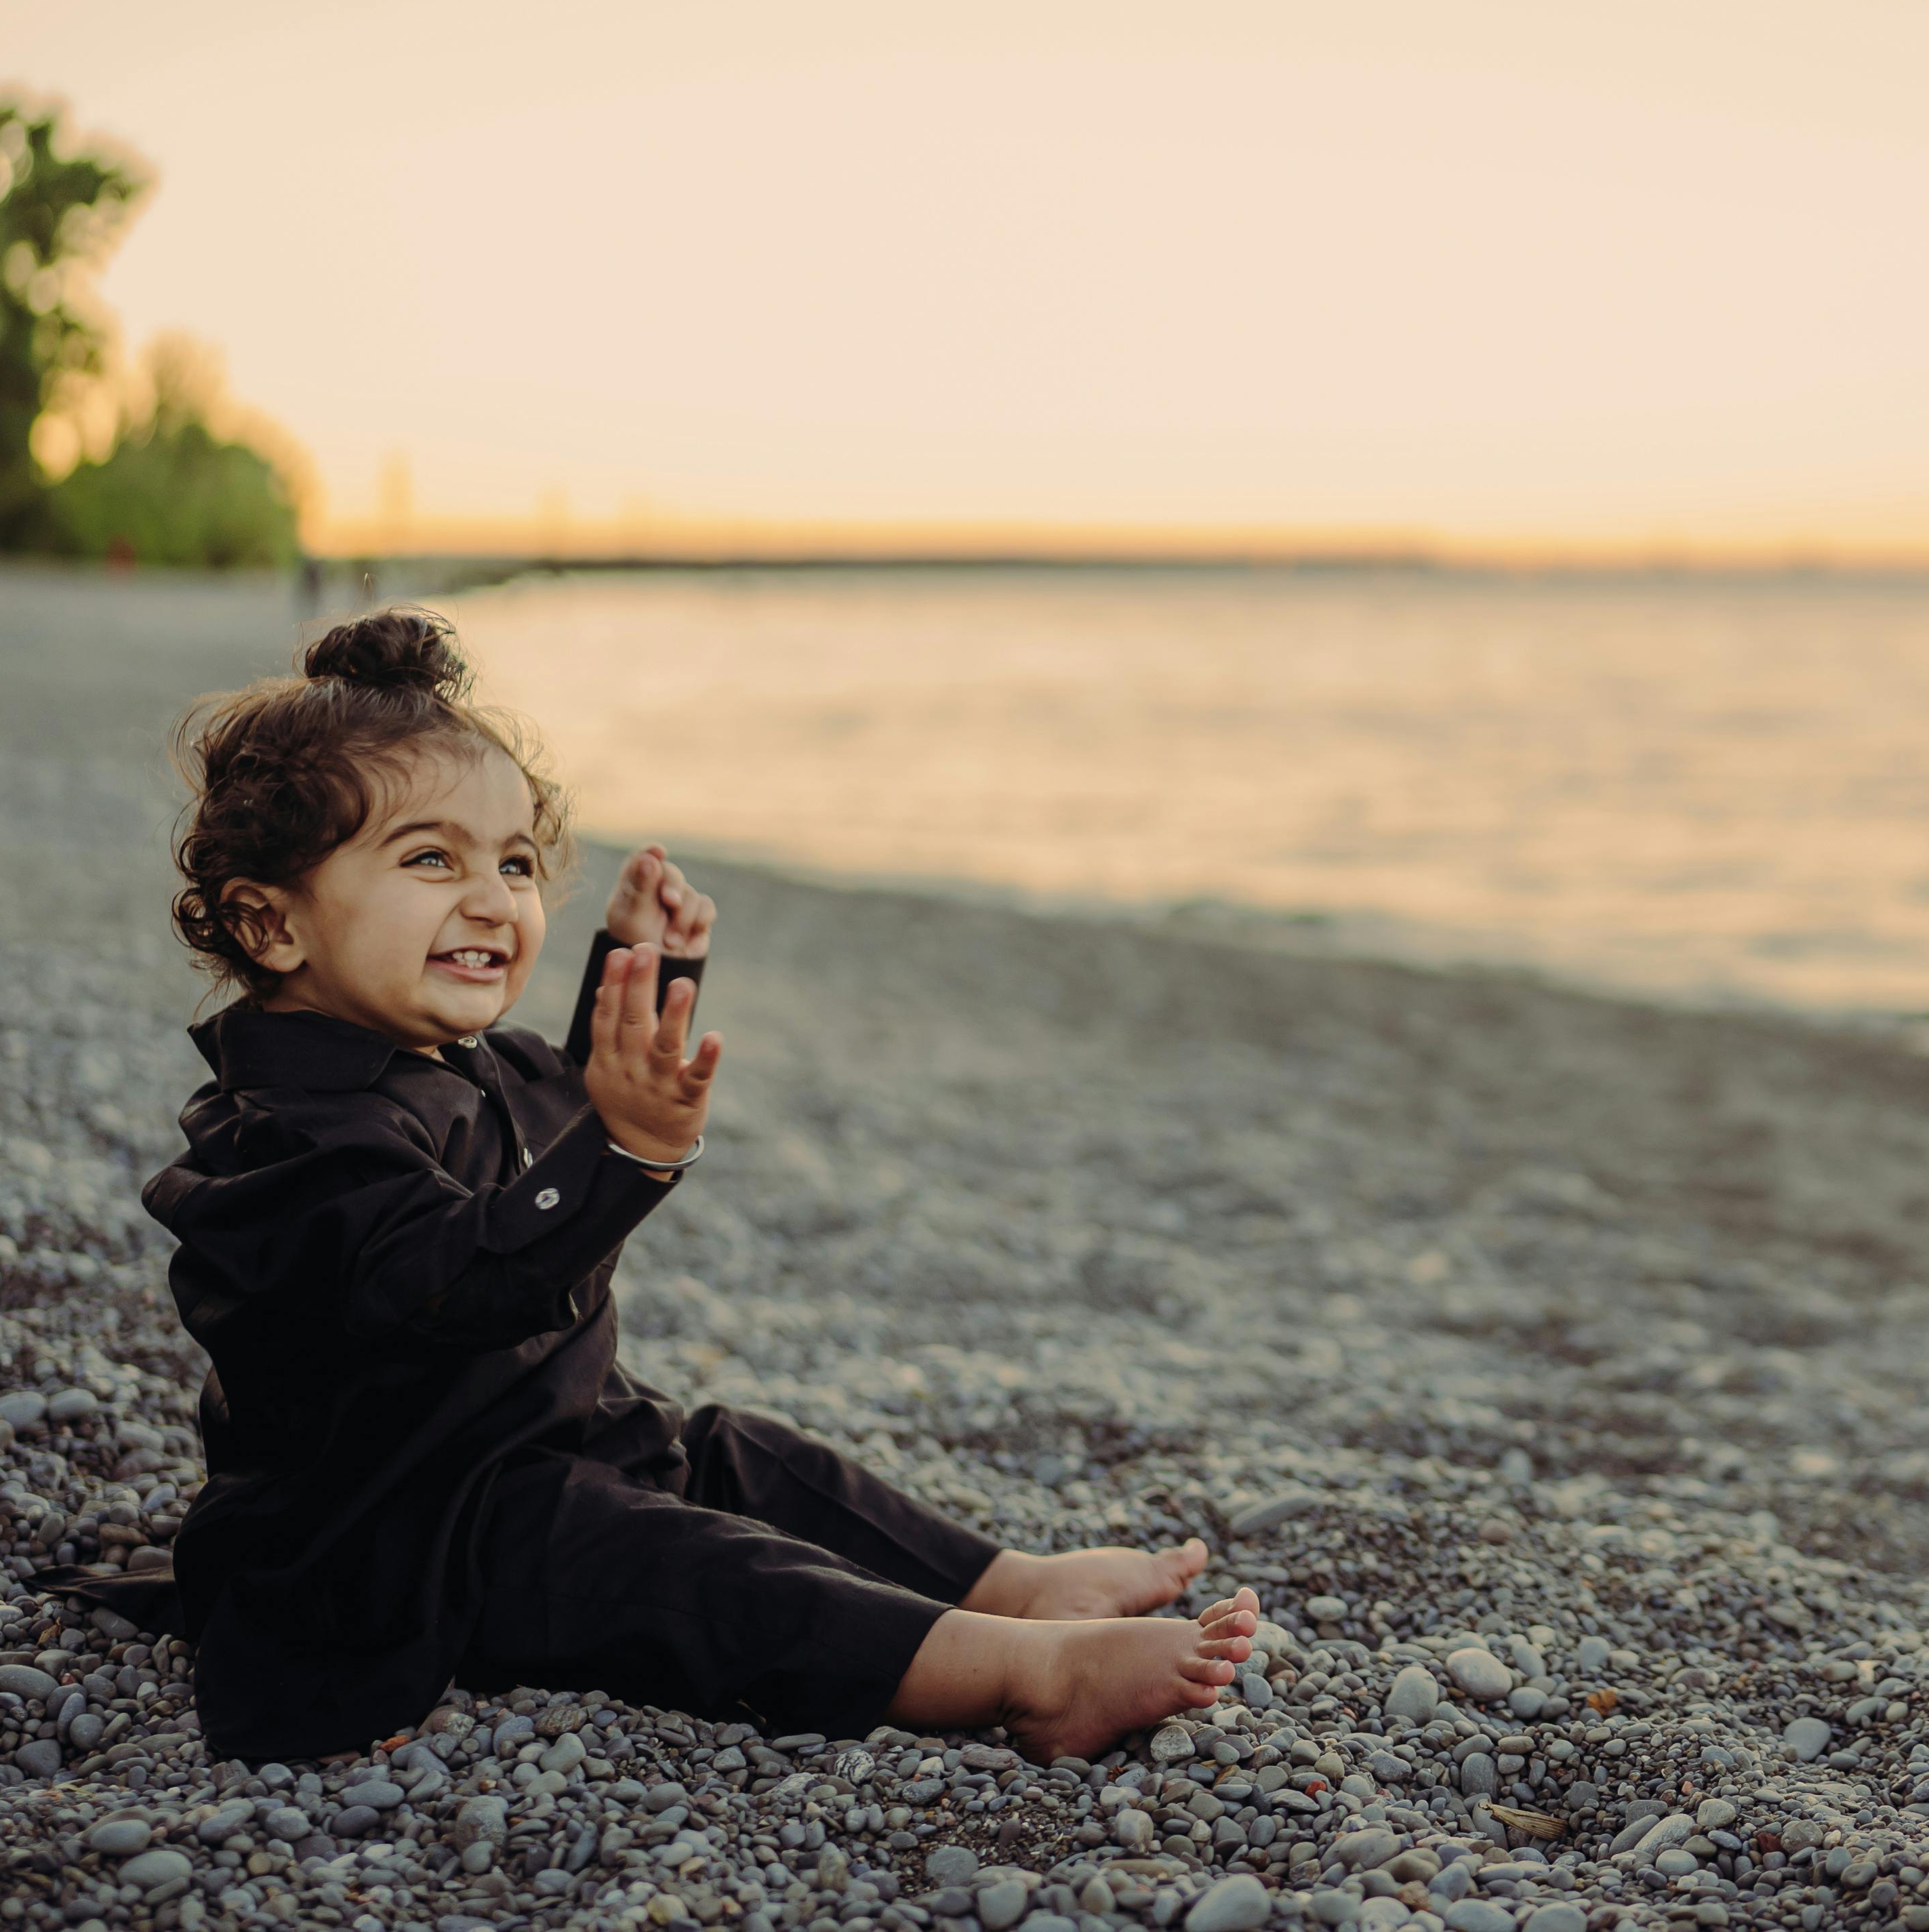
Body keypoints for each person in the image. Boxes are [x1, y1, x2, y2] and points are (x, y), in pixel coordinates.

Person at [129, 608, 1256, 1760]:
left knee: (731, 1451)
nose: (491, 898)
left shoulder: (448, 1062)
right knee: (697, 1567)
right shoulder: (287, 1143)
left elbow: (563, 1104)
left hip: (536, 1447)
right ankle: (1025, 1677)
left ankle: (1011, 1585)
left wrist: (642, 972)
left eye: (513, 862)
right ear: (269, 923)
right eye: (430, 859)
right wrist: (631, 1152)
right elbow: (456, 1280)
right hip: (401, 1541)